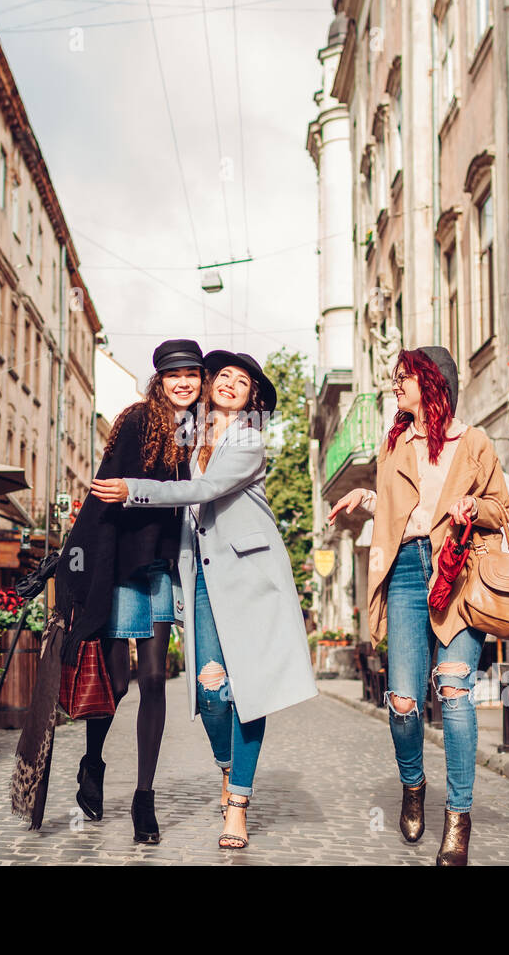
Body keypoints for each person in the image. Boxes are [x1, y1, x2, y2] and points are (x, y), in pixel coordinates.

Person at [92, 350, 317, 849]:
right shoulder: (189, 436)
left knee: (249, 693)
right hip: (201, 577)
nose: (233, 384)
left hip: (250, 576)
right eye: (226, 376)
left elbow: (205, 489)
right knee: (211, 692)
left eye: (244, 381)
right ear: (212, 385)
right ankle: (228, 765)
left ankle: (237, 804)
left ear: (251, 397)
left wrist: (132, 489)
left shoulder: (248, 441)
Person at [328, 346, 509, 865]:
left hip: (457, 572)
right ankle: (414, 784)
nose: (396, 385)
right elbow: (398, 509)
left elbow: (503, 508)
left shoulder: (474, 443)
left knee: (454, 691)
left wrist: (476, 506)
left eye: (404, 377)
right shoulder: (394, 447)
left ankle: (459, 817)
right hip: (408, 574)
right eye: (395, 378)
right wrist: (365, 497)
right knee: (404, 703)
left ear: (434, 383)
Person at [53, 338, 204, 844]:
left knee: (157, 677)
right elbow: (105, 494)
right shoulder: (139, 420)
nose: (185, 382)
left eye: (193, 374)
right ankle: (92, 762)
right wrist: (80, 567)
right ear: (158, 379)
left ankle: (144, 797)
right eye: (174, 374)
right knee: (117, 685)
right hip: (122, 568)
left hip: (161, 568)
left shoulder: (198, 433)